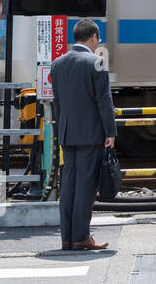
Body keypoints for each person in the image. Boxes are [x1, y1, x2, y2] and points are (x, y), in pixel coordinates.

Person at [49, 19, 116, 251]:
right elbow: (103, 100)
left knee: (68, 184)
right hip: (90, 134)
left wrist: (61, 130)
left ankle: (67, 238)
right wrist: (110, 131)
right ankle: (81, 237)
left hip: (67, 133)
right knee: (86, 185)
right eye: (98, 38)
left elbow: (56, 102)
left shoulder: (57, 64)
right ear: (94, 37)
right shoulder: (97, 62)